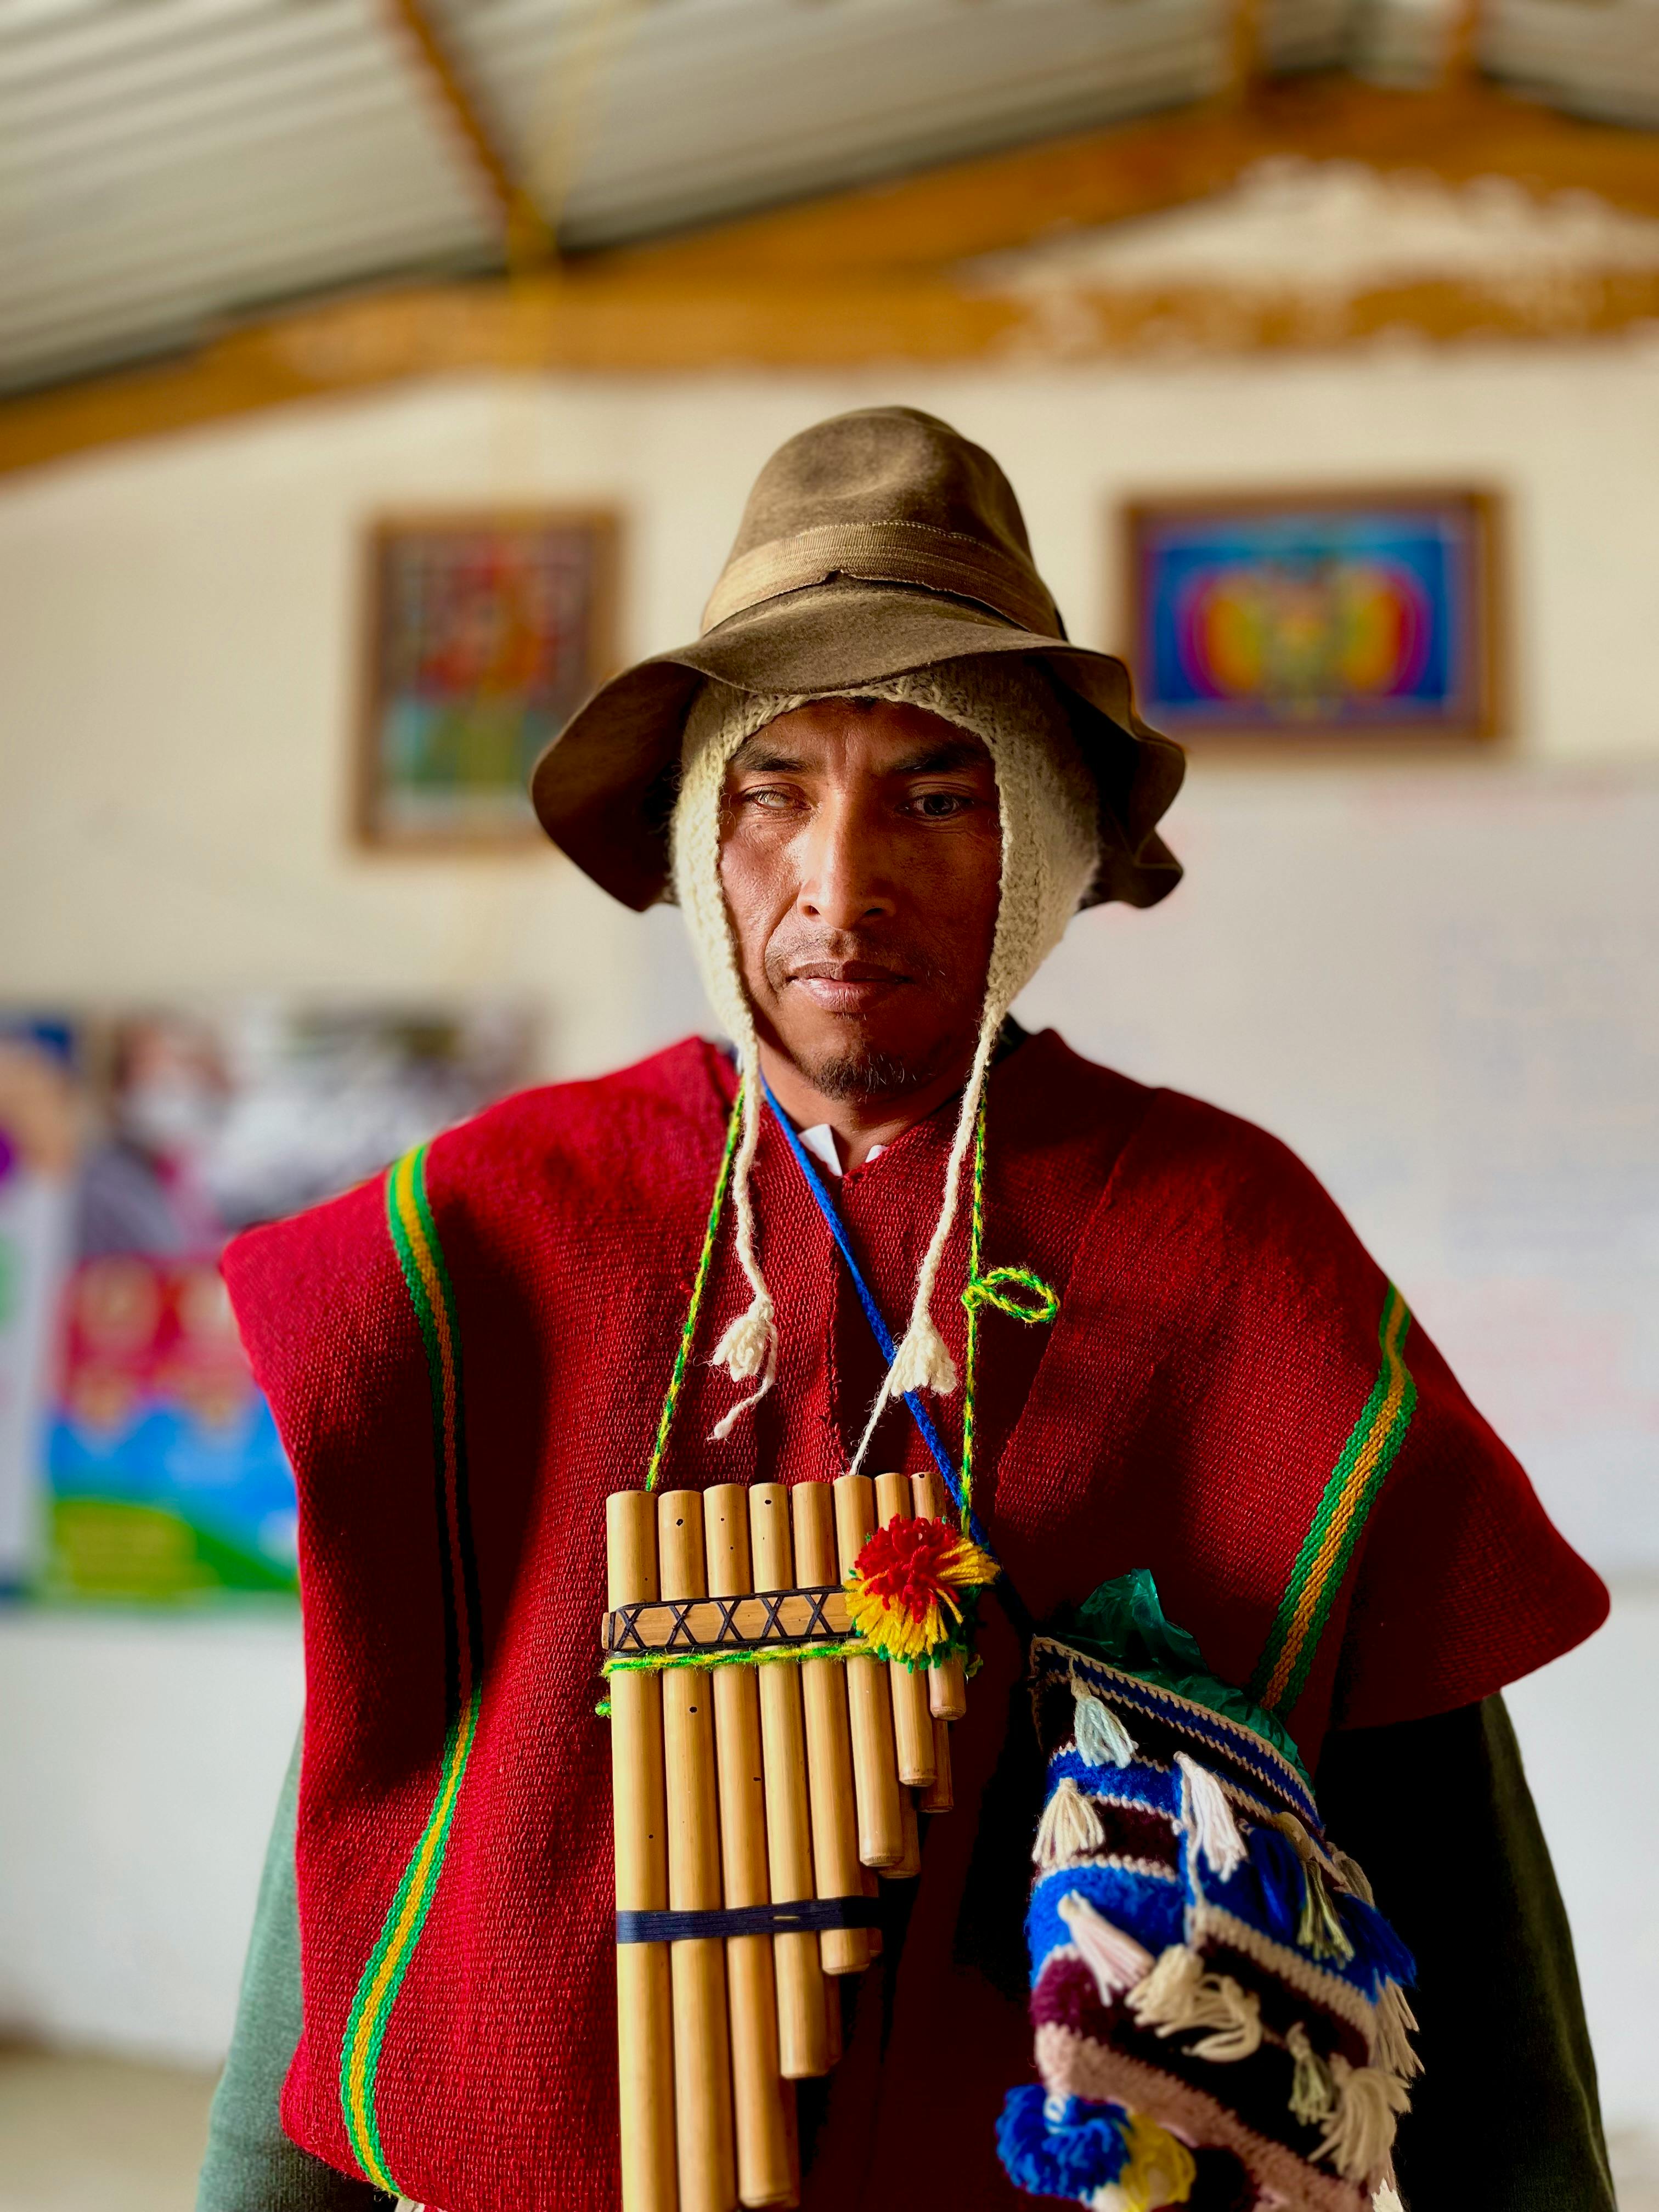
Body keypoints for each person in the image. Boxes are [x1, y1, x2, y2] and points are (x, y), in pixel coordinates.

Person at [198, 408, 1612, 2212]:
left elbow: (1453, 1875)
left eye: (938, 796)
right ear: (701, 839)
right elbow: (359, 1791)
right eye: (773, 792)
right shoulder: (491, 1231)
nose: (838, 885)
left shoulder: (1232, 1244)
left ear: (1041, 846)